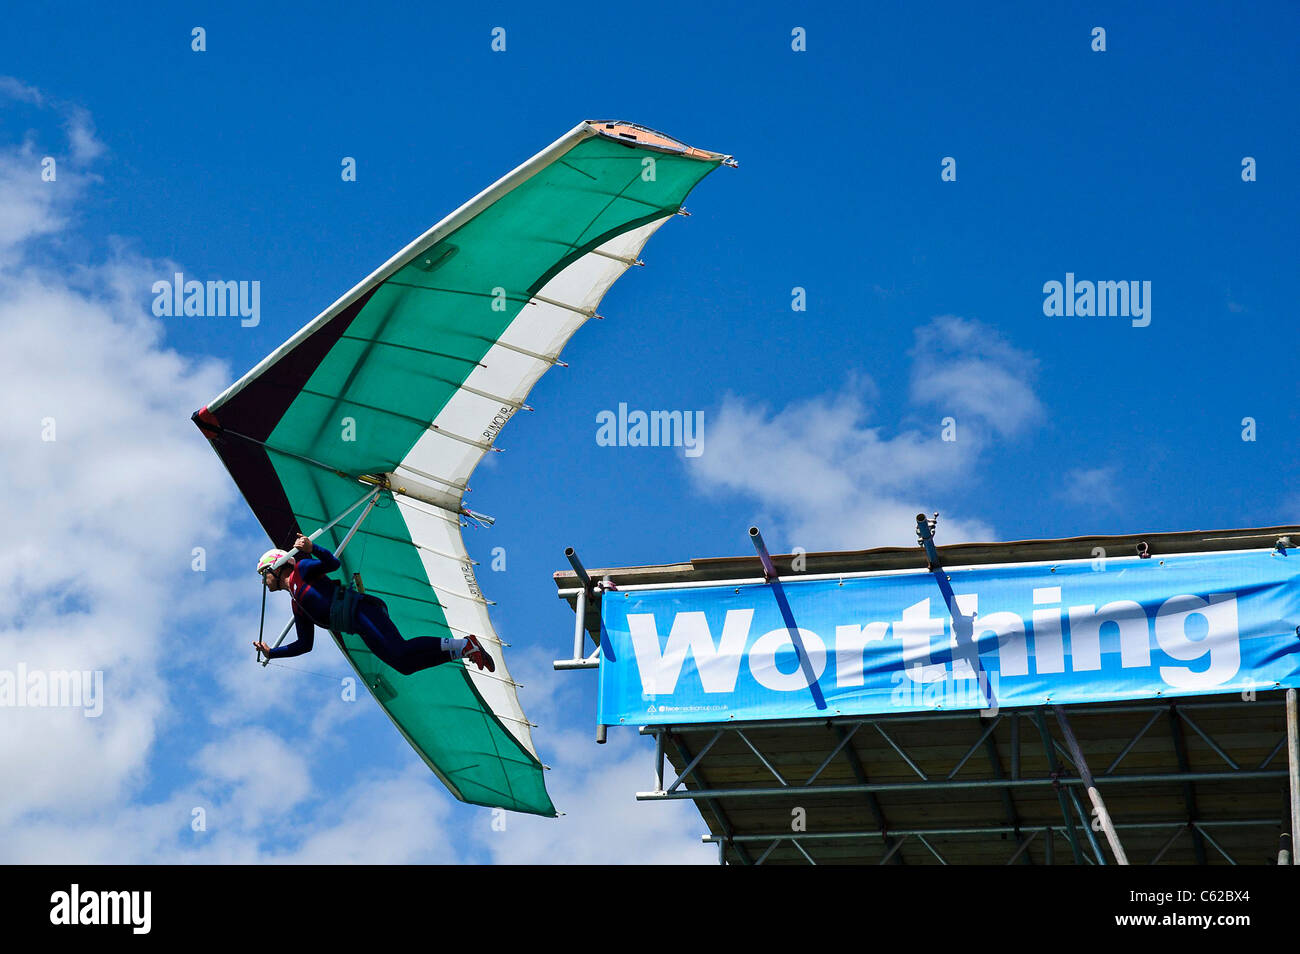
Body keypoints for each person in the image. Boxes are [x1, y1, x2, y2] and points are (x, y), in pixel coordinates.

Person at [253, 534, 494, 675]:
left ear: (276, 566)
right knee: (403, 665)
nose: (264, 582)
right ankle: (463, 649)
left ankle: (464, 644)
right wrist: (272, 653)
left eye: (265, 574)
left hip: (363, 610)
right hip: (357, 624)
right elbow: (305, 644)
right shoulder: (296, 605)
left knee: (401, 649)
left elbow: (333, 564)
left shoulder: (302, 571)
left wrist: (312, 548)